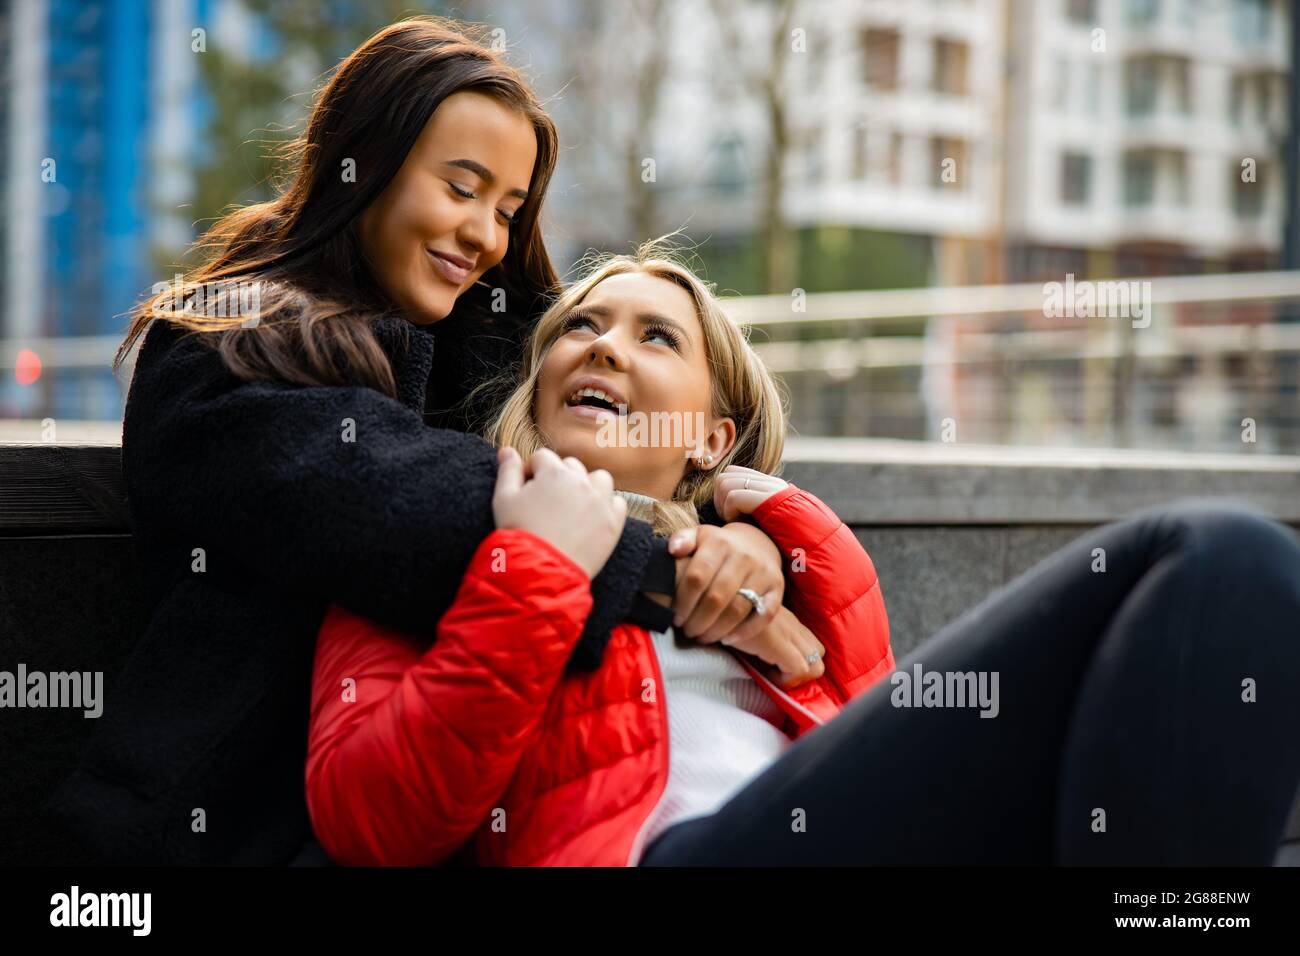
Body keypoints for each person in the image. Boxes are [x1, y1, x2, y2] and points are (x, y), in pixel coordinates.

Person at [44, 18, 786, 866]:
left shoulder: (480, 361)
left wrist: (747, 538)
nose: (486, 236)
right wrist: (670, 575)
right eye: (461, 189)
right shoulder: (225, 339)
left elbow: (663, 439)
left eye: (509, 210)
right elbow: (380, 497)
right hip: (217, 835)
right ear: (364, 165)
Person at [307, 246, 1300, 867]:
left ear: (710, 436)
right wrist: (535, 568)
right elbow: (374, 821)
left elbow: (881, 768)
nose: (603, 346)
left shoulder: (787, 573)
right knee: (1213, 550)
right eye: (579, 327)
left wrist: (779, 536)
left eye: (655, 335)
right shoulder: (435, 537)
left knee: (1228, 569)